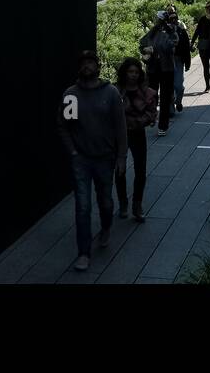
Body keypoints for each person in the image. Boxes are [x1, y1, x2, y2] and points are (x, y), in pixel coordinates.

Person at [58, 50, 127, 271]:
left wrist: (122, 157)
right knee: (82, 206)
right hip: (82, 159)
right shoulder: (72, 94)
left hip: (105, 157)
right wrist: (72, 151)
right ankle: (83, 252)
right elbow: (65, 125)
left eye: (91, 62)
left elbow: (120, 127)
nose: (87, 66)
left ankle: (106, 227)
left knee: (106, 201)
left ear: (98, 67)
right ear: (79, 68)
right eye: (83, 63)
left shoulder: (111, 93)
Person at [115, 57, 156, 223]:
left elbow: (151, 114)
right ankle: (123, 202)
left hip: (137, 133)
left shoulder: (147, 92)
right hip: (119, 134)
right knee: (120, 169)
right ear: (124, 73)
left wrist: (135, 122)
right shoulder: (116, 91)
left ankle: (137, 204)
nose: (133, 75)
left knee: (141, 170)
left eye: (136, 72)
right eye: (130, 71)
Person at [139, 11, 178, 136]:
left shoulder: (172, 32)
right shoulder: (153, 31)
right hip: (153, 68)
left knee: (166, 97)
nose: (158, 21)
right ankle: (152, 116)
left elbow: (170, 46)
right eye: (157, 19)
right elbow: (142, 42)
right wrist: (146, 49)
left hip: (167, 69)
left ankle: (163, 125)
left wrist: (154, 48)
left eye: (160, 19)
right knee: (152, 95)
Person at [167, 6, 192, 114]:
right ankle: (171, 108)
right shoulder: (164, 32)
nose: (173, 21)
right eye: (170, 19)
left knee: (178, 85)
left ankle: (178, 101)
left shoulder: (182, 31)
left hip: (178, 60)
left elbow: (187, 48)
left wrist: (187, 63)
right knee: (169, 86)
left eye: (174, 19)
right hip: (166, 61)